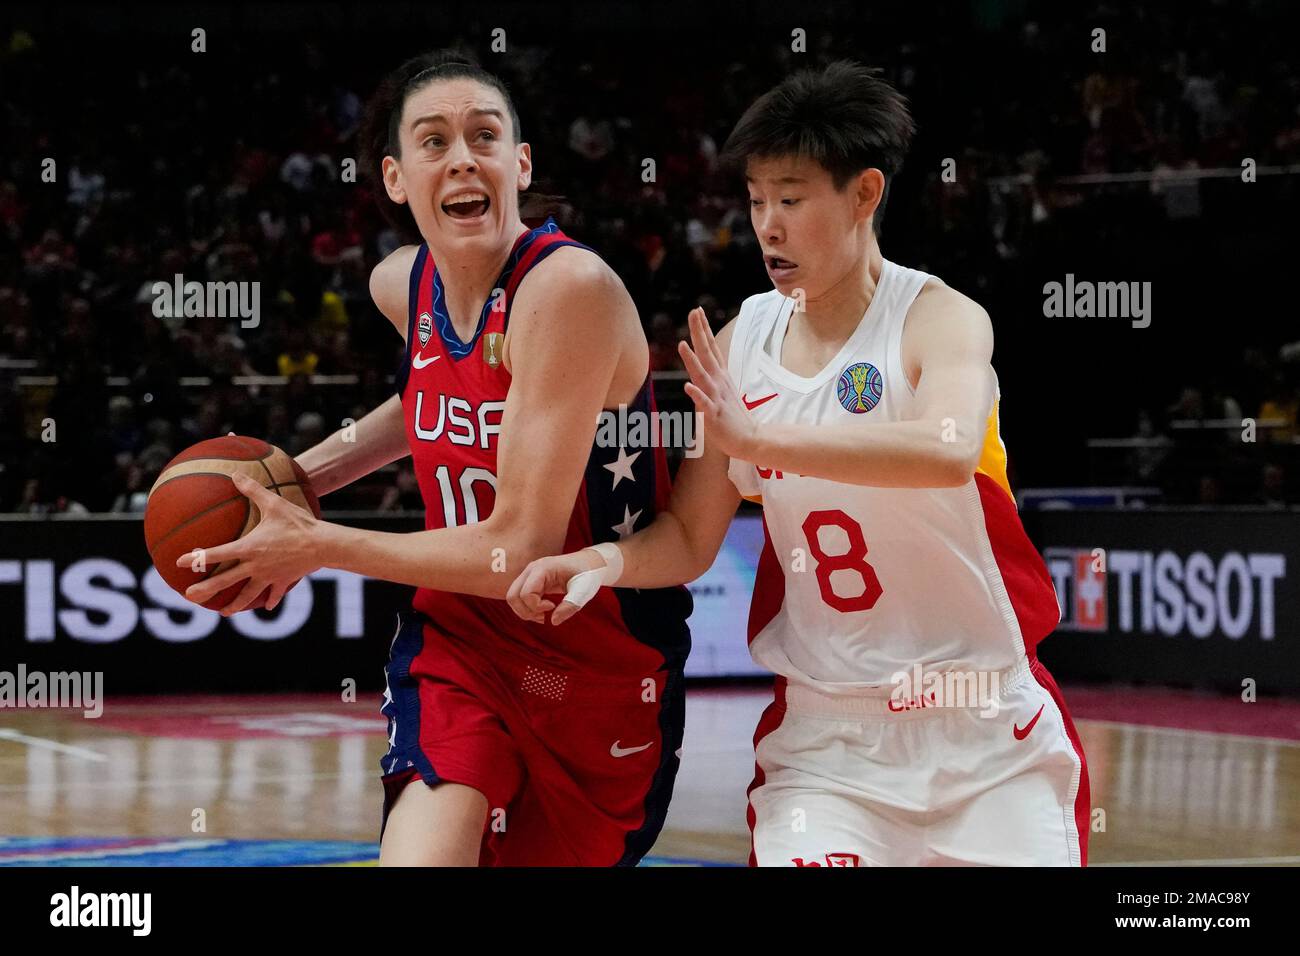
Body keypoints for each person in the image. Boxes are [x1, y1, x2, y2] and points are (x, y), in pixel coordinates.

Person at [508, 61, 1090, 867]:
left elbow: (949, 449)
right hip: (828, 740)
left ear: (864, 194)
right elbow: (688, 540)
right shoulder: (743, 340)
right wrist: (601, 560)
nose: (768, 225)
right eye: (756, 201)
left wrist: (762, 443)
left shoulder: (939, 320)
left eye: (791, 197)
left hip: (985, 726)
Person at [177, 52, 691, 866]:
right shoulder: (399, 284)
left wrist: (320, 545)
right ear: (394, 176)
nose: (462, 156)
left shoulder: (567, 291)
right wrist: (296, 479)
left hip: (597, 664)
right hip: (460, 640)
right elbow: (426, 402)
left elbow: (518, 548)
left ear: (519, 164)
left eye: (485, 136)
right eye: (434, 140)